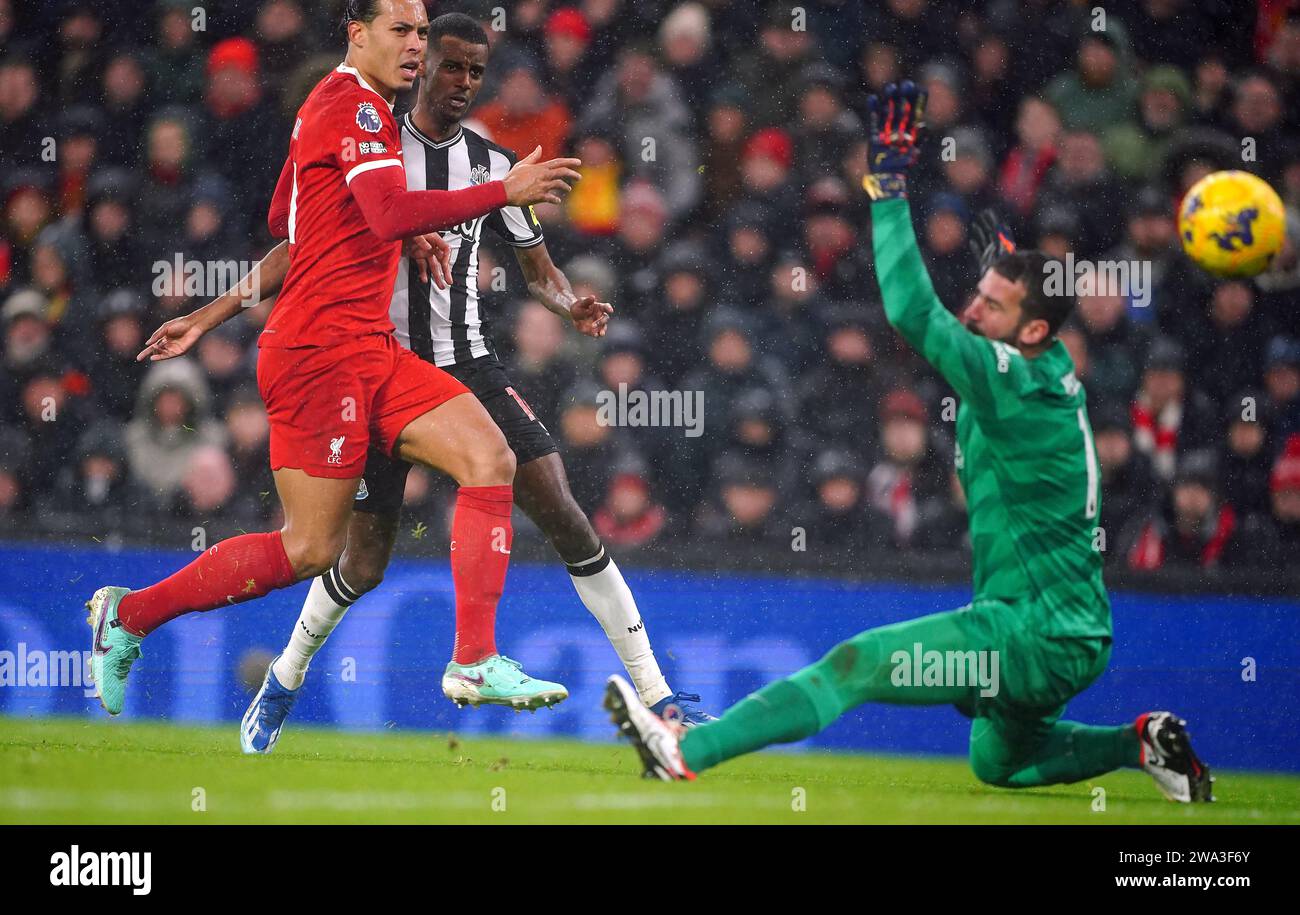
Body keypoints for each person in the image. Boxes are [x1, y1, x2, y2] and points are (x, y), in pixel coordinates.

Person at [604, 82, 1213, 804]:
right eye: (980, 290)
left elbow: (910, 310)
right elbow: (1013, 307)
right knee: (997, 760)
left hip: (1031, 633)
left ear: (1034, 331)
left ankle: (686, 747)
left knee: (855, 662)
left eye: (992, 303)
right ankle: (1139, 741)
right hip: (1071, 631)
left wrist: (887, 186)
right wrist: (1016, 268)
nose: (973, 306)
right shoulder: (1042, 366)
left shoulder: (1007, 376)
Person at [140, 12, 710, 753]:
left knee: (565, 513)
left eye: (477, 72)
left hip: (465, 366)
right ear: (420, 62)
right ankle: (283, 680)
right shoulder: (372, 134)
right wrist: (211, 314)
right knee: (358, 559)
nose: (463, 82)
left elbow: (540, 273)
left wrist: (571, 302)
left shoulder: (493, 161)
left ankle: (659, 699)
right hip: (369, 364)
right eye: (450, 65)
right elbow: (298, 246)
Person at [85, 0, 582, 723]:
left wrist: (208, 312)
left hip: (371, 349)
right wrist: (496, 191)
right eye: (402, 31)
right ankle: (129, 614)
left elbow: (299, 227)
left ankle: (474, 661)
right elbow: (381, 213)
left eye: (420, 33)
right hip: (318, 355)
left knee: (489, 457)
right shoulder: (352, 108)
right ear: (358, 34)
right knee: (312, 547)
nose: (417, 46)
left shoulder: (353, 109)